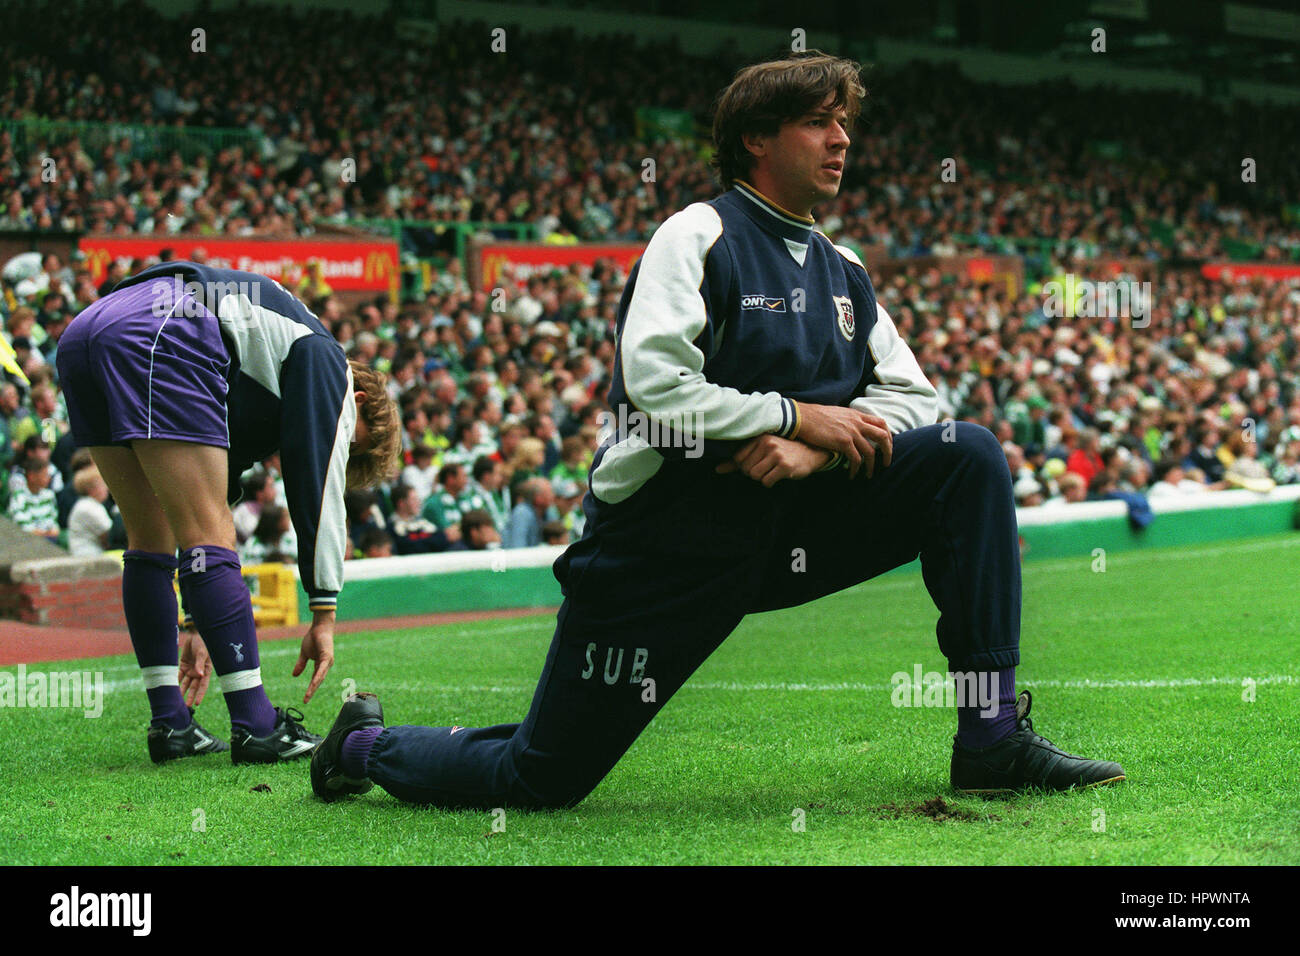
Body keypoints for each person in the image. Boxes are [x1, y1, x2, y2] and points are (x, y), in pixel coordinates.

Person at [310, 53, 1123, 807]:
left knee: (965, 455)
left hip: (790, 523)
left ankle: (989, 737)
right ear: (756, 140)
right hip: (666, 546)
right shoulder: (697, 233)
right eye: (817, 121)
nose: (842, 139)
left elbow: (919, 401)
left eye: (844, 123)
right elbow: (658, 387)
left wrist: (812, 446)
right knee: (541, 777)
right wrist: (795, 414)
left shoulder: (847, 273)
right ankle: (364, 745)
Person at [56, 261, 401, 766]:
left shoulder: (262, 380)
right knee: (212, 531)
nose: (339, 445)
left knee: (151, 534)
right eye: (354, 444)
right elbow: (318, 485)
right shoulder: (327, 360)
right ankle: (258, 727)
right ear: (359, 400)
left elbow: (208, 497)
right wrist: (324, 611)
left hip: (90, 329)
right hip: (167, 323)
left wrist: (197, 621)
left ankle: (171, 724)